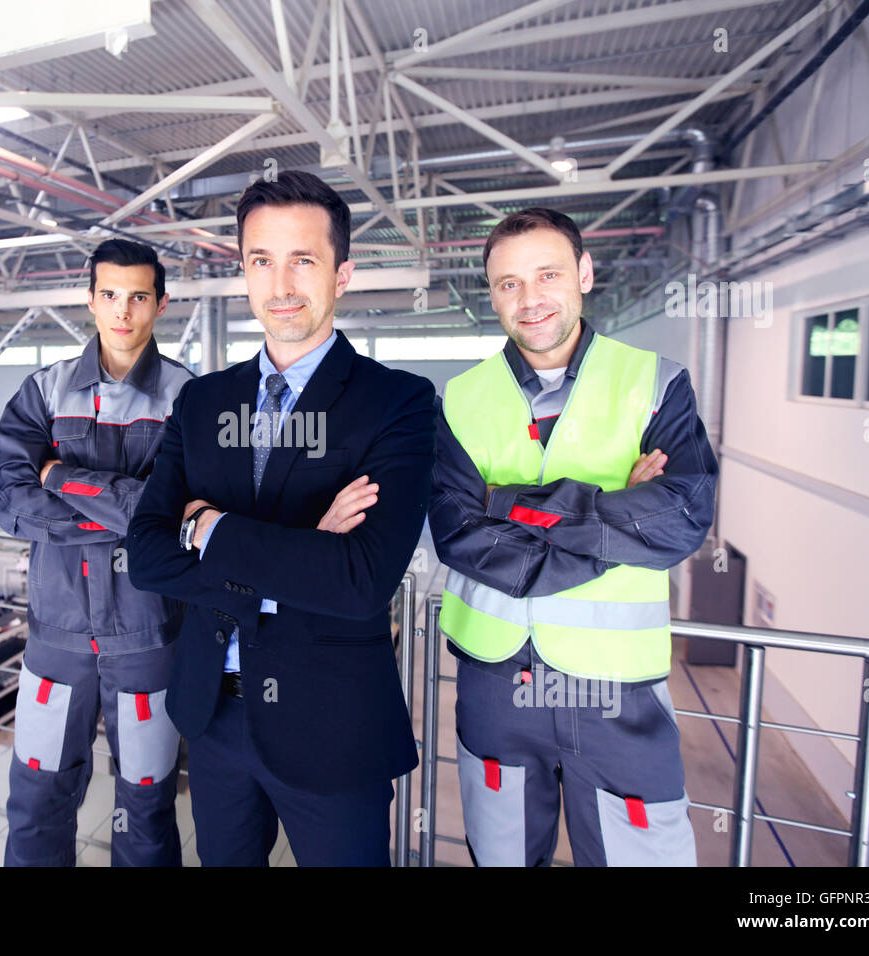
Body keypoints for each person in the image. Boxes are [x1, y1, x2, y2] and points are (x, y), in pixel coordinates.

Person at [126, 170, 435, 866]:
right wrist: (298, 556)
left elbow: (360, 581)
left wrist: (208, 530)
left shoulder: (398, 403)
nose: (282, 284)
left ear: (343, 272)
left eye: (304, 259)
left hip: (334, 727)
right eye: (262, 260)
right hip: (214, 717)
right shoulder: (202, 403)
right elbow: (145, 554)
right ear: (242, 271)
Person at [429, 207, 718, 867]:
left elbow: (682, 515)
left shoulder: (656, 383)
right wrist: (612, 510)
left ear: (584, 274)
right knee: (500, 856)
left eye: (547, 274)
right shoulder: (460, 400)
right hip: (497, 683)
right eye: (508, 284)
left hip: (617, 688)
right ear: (492, 294)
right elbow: (456, 533)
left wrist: (503, 502)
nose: (529, 300)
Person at [0, 238, 193, 866]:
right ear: (90, 300)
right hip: (57, 637)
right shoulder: (44, 392)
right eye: (109, 295)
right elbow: (6, 500)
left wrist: (57, 478)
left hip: (148, 639)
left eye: (138, 297)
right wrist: (123, 513)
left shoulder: (191, 397)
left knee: (147, 809)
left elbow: (167, 514)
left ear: (160, 304)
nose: (122, 311)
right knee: (36, 802)